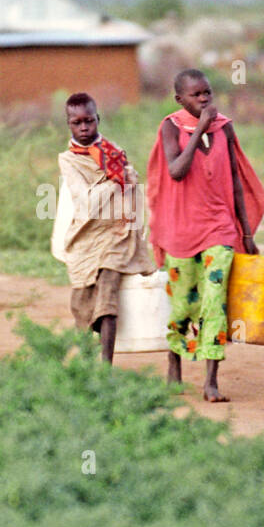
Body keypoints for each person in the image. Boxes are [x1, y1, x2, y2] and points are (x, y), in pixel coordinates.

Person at [146, 69, 264, 401]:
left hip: (219, 228)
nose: (204, 100)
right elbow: (176, 171)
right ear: (180, 100)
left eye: (208, 93)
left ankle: (211, 380)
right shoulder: (170, 127)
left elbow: (236, 183)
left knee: (215, 302)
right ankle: (174, 368)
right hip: (180, 230)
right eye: (196, 95)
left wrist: (246, 232)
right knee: (183, 303)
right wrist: (199, 128)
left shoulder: (225, 128)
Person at [53, 92, 155, 362]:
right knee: (82, 302)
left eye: (89, 121)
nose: (84, 128)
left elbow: (133, 191)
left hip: (117, 235)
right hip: (85, 236)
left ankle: (106, 367)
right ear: (69, 124)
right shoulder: (69, 159)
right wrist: (114, 182)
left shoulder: (114, 152)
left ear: (97, 119)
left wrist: (135, 225)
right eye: (77, 123)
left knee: (108, 295)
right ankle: (86, 364)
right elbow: (85, 203)